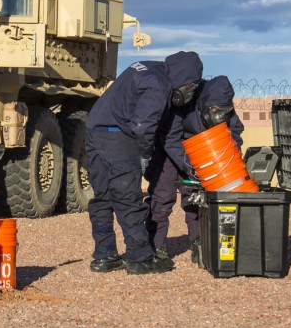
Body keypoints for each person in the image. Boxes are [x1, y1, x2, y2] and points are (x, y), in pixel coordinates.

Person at [85, 51, 204, 275]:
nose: (188, 95)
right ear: (186, 82)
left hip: (94, 128)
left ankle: (105, 255)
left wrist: (189, 165)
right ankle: (140, 258)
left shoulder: (150, 69)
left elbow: (167, 135)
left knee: (103, 196)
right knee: (128, 198)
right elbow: (142, 126)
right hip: (117, 135)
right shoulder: (160, 86)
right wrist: (144, 155)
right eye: (190, 89)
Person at [147, 75, 244, 267]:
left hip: (201, 152)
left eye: (222, 111)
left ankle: (199, 242)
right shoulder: (188, 101)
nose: (217, 115)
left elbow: (234, 137)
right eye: (214, 111)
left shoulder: (227, 110)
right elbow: (171, 137)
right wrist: (187, 164)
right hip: (170, 149)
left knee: (197, 198)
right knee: (162, 197)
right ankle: (156, 246)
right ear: (205, 104)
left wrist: (228, 160)